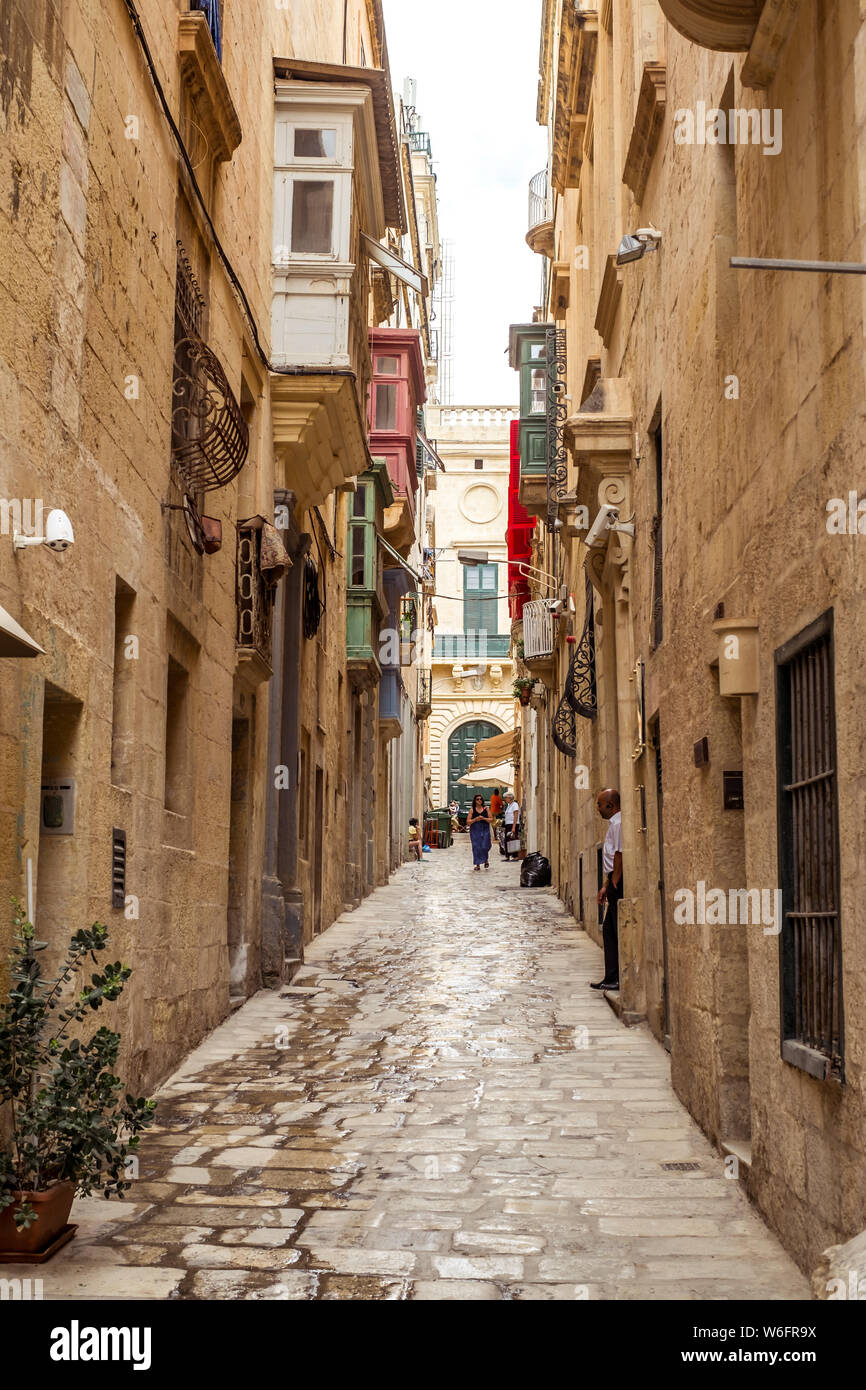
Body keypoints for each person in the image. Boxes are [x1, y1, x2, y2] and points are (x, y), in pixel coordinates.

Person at [592, 788, 622, 991]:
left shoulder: (619, 824)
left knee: (613, 930)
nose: (598, 809)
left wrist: (614, 882)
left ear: (610, 806)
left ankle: (615, 978)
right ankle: (612, 976)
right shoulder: (614, 823)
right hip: (612, 881)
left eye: (600, 805)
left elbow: (619, 854)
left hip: (618, 882)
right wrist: (605, 884)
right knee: (610, 930)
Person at [466, 793, 492, 870]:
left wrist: (484, 818)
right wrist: (475, 819)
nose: (479, 800)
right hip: (475, 829)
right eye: (477, 799)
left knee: (485, 845)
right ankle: (477, 864)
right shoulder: (472, 810)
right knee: (476, 846)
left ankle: (485, 859)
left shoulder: (486, 809)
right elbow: (468, 822)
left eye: (480, 799)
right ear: (475, 801)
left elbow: (491, 819)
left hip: (485, 829)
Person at [502, 792, 520, 860]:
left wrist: (513, 827)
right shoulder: (509, 805)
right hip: (508, 824)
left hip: (513, 824)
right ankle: (508, 856)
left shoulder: (515, 805)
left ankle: (515, 856)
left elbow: (515, 816)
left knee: (513, 840)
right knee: (507, 840)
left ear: (510, 798)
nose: (505, 799)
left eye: (506, 798)